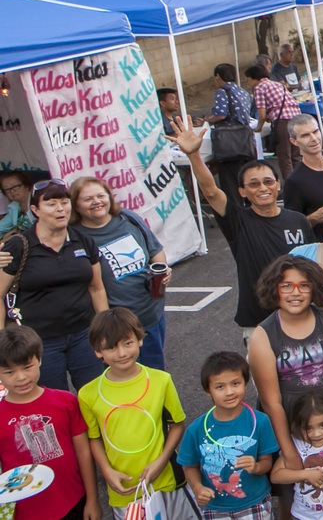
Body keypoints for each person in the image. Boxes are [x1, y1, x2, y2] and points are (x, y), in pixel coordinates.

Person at [167, 120, 313, 333]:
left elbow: (312, 267)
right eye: (253, 184)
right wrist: (193, 156)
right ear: (242, 192)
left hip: (301, 315)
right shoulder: (238, 220)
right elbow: (210, 190)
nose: (262, 188)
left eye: (268, 181)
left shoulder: (298, 221)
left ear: (278, 184)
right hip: (259, 323)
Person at [248, 257, 323, 504]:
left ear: (315, 288)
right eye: (286, 285)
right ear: (274, 289)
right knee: (296, 498)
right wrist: (289, 451)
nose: (295, 292)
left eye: (304, 285)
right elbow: (272, 403)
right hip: (291, 421)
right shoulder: (263, 335)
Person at [80, 308, 198, 517]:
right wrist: (107, 471)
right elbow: (94, 437)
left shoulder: (161, 380)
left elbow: (177, 425)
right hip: (124, 489)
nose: (122, 353)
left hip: (166, 481)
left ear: (140, 340)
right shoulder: (87, 394)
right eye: (111, 347)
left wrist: (160, 462)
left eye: (128, 343)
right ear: (98, 350)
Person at [0, 179, 108, 390]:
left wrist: (105, 329)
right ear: (35, 210)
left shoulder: (83, 241)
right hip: (38, 342)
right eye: (51, 204)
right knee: (52, 401)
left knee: (96, 395)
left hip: (83, 336)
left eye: (64, 202)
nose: (60, 209)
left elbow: (97, 288)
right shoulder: (19, 245)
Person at [69, 177, 170, 371]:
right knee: (123, 377)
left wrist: (162, 269)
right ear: (76, 205)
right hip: (117, 324)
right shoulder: (75, 236)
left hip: (150, 314)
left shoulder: (128, 218)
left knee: (154, 374)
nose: (97, 201)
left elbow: (156, 252)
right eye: (88, 199)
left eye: (101, 195)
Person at [0, 324, 100, 520]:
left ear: (39, 360)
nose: (21, 377)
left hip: (73, 501)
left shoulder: (66, 401)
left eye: (27, 367)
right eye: (9, 372)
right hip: (23, 511)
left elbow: (83, 452)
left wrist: (93, 500)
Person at [179, 351, 279, 520]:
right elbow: (189, 466)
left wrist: (256, 467)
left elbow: (267, 462)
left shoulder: (260, 421)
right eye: (220, 387)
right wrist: (197, 487)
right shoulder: (195, 429)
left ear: (246, 384)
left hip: (254, 503)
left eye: (235, 383)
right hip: (215, 507)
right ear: (207, 391)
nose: (229, 392)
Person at [281, 114, 323, 231]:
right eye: (305, 135)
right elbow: (291, 226)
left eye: (315, 131)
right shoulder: (294, 181)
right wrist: (313, 219)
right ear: (294, 142)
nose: (313, 138)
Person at [245, 64, 303, 180]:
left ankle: (290, 186)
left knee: (284, 157)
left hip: (283, 121)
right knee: (295, 155)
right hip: (297, 120)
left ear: (254, 78)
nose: (247, 82)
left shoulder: (259, 88)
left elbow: (261, 115)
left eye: (248, 79)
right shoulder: (278, 84)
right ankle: (301, 181)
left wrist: (258, 128)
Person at [0, 171, 32, 237]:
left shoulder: (39, 202)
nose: (12, 191)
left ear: (27, 186)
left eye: (15, 187)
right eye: (7, 189)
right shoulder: (14, 207)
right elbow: (1, 228)